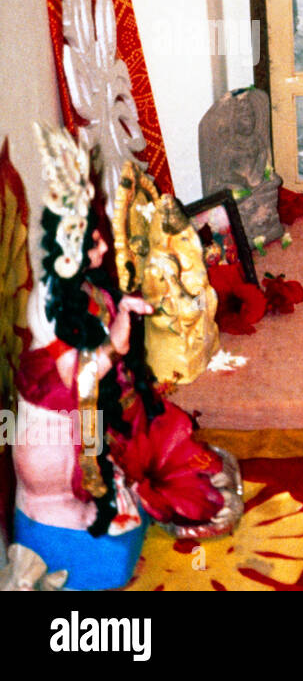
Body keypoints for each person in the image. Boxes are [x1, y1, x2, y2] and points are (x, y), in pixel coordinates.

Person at [13, 125, 226, 589]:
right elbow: (79, 380)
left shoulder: (86, 288)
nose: (106, 248)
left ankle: (112, 497)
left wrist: (123, 320)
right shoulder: (49, 305)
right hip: (55, 437)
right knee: (78, 503)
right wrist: (116, 341)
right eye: (96, 242)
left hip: (91, 423)